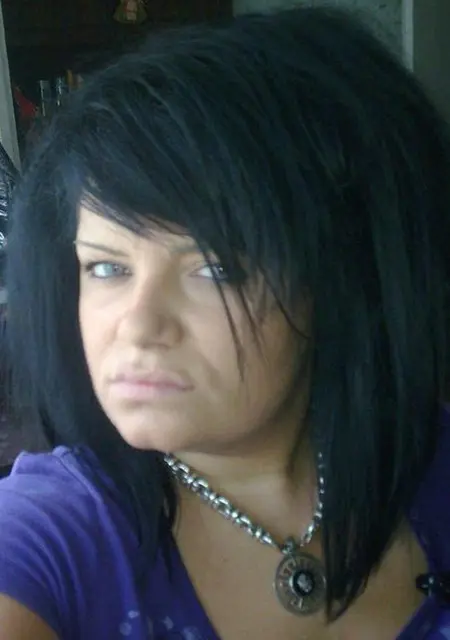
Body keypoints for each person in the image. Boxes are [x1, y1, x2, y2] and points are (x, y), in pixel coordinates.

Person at [0, 6, 449, 639]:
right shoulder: (54, 532)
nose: (138, 326)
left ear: (338, 281)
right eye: (106, 268)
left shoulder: (431, 469)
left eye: (215, 270)